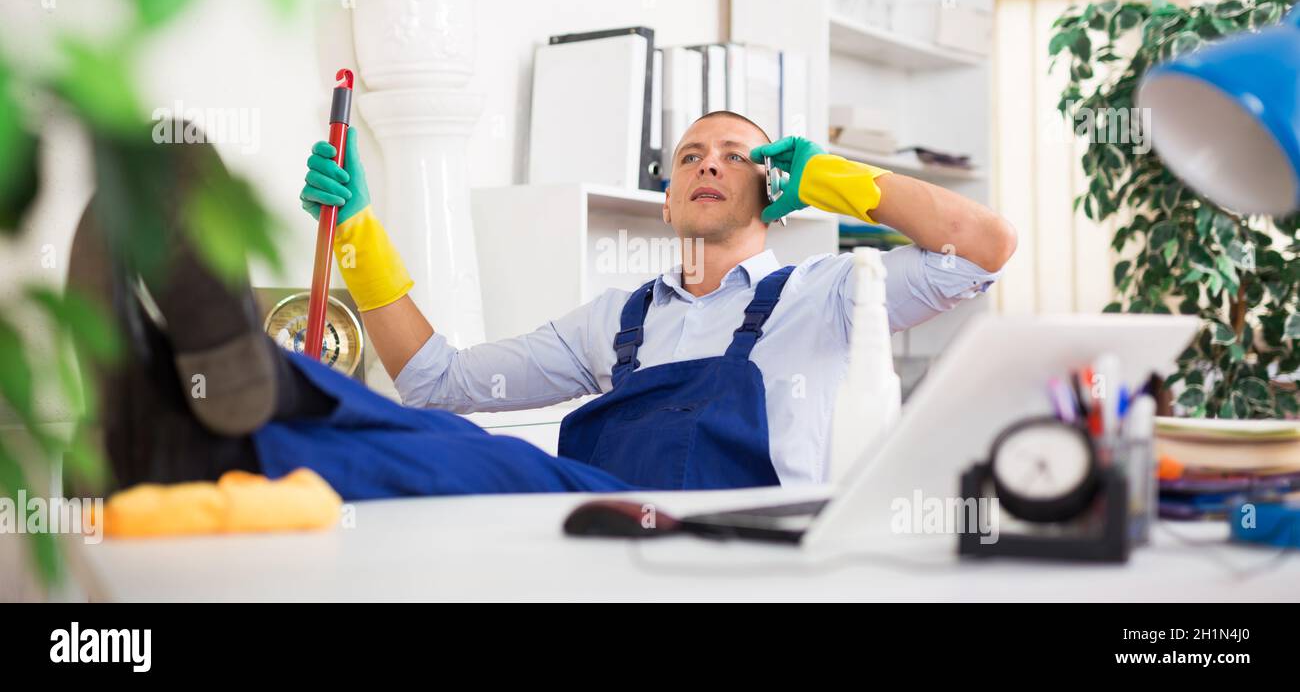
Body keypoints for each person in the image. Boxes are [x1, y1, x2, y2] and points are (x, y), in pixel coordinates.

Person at [76, 112, 1015, 500]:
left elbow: (983, 245)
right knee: (450, 444)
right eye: (689, 155)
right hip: (602, 531)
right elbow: (437, 381)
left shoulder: (829, 296)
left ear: (775, 188)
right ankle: (191, 412)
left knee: (487, 468)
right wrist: (359, 229)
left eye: (736, 154)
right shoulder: (618, 318)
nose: (709, 164)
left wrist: (835, 177)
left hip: (732, 545)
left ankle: (219, 394)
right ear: (667, 193)